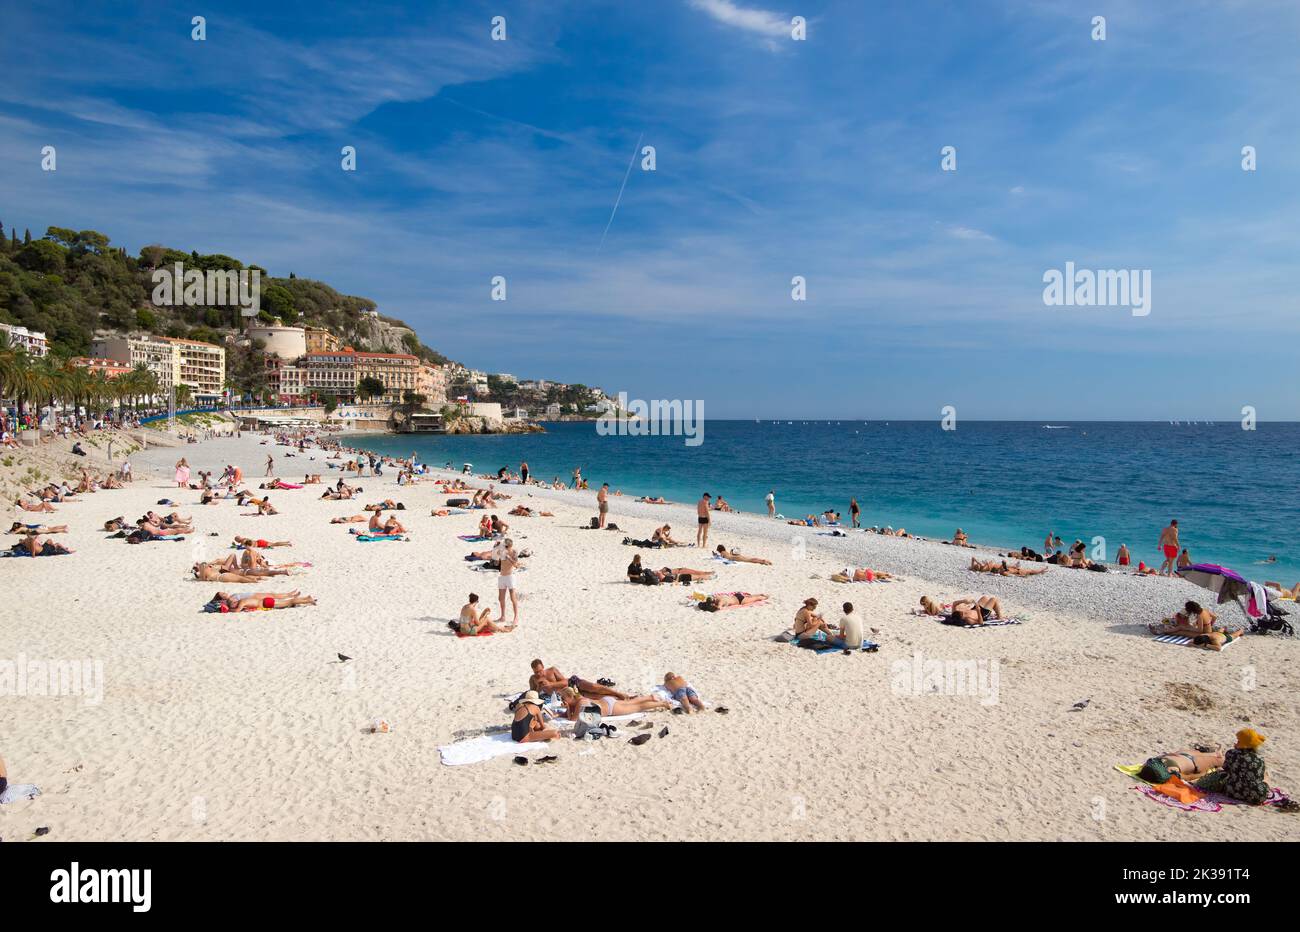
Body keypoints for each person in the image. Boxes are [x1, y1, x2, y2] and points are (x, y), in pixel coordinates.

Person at [529, 659, 627, 700]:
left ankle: (618, 693)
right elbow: (533, 694)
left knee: (593, 687)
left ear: (543, 667)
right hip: (566, 693)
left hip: (572, 683)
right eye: (536, 672)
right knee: (594, 696)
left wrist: (550, 685)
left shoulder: (552, 670)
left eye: (540, 671)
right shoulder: (533, 679)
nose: (538, 674)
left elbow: (565, 681)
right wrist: (538, 687)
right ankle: (618, 698)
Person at [559, 685, 670, 720]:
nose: (562, 701)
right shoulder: (579, 699)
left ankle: (663, 704)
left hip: (610, 709)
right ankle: (650, 697)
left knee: (638, 707)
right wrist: (561, 713)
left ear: (570, 696)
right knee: (630, 703)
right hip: (607, 701)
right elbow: (568, 715)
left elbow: (573, 719)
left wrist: (568, 708)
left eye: (564, 698)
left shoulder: (580, 703)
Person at [920, 595, 1004, 625]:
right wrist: (978, 611)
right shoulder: (968, 619)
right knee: (993, 599)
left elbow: (954, 603)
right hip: (982, 613)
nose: (962, 611)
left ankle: (996, 613)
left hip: (975, 608)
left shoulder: (954, 614)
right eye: (962, 612)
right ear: (962, 616)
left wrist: (964, 601)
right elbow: (981, 622)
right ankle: (999, 617)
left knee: (984, 597)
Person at [1148, 600, 1218, 637]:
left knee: (1180, 632)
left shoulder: (1200, 616)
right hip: (1208, 631)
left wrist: (1187, 628)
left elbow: (1200, 630)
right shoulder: (1205, 610)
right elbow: (1215, 617)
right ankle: (1161, 629)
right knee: (1181, 627)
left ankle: (1160, 631)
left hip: (1203, 634)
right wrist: (1210, 625)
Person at [497, 538, 522, 626]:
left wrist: (508, 557)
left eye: (505, 546)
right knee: (500, 598)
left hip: (510, 576)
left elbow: (516, 565)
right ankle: (503, 616)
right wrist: (497, 546)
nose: (505, 547)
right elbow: (496, 556)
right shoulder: (502, 551)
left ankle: (516, 617)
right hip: (502, 576)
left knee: (512, 598)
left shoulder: (514, 552)